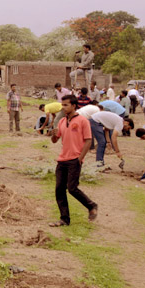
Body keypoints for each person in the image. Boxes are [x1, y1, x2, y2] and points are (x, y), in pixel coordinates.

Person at [49, 95, 98, 226]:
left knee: (72, 188)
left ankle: (91, 205)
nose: (63, 107)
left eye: (66, 105)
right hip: (62, 159)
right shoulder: (61, 121)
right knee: (59, 190)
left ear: (74, 106)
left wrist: (80, 158)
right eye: (62, 105)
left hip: (74, 159)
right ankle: (64, 219)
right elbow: (55, 140)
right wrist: (53, 134)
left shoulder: (83, 121)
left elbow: (88, 140)